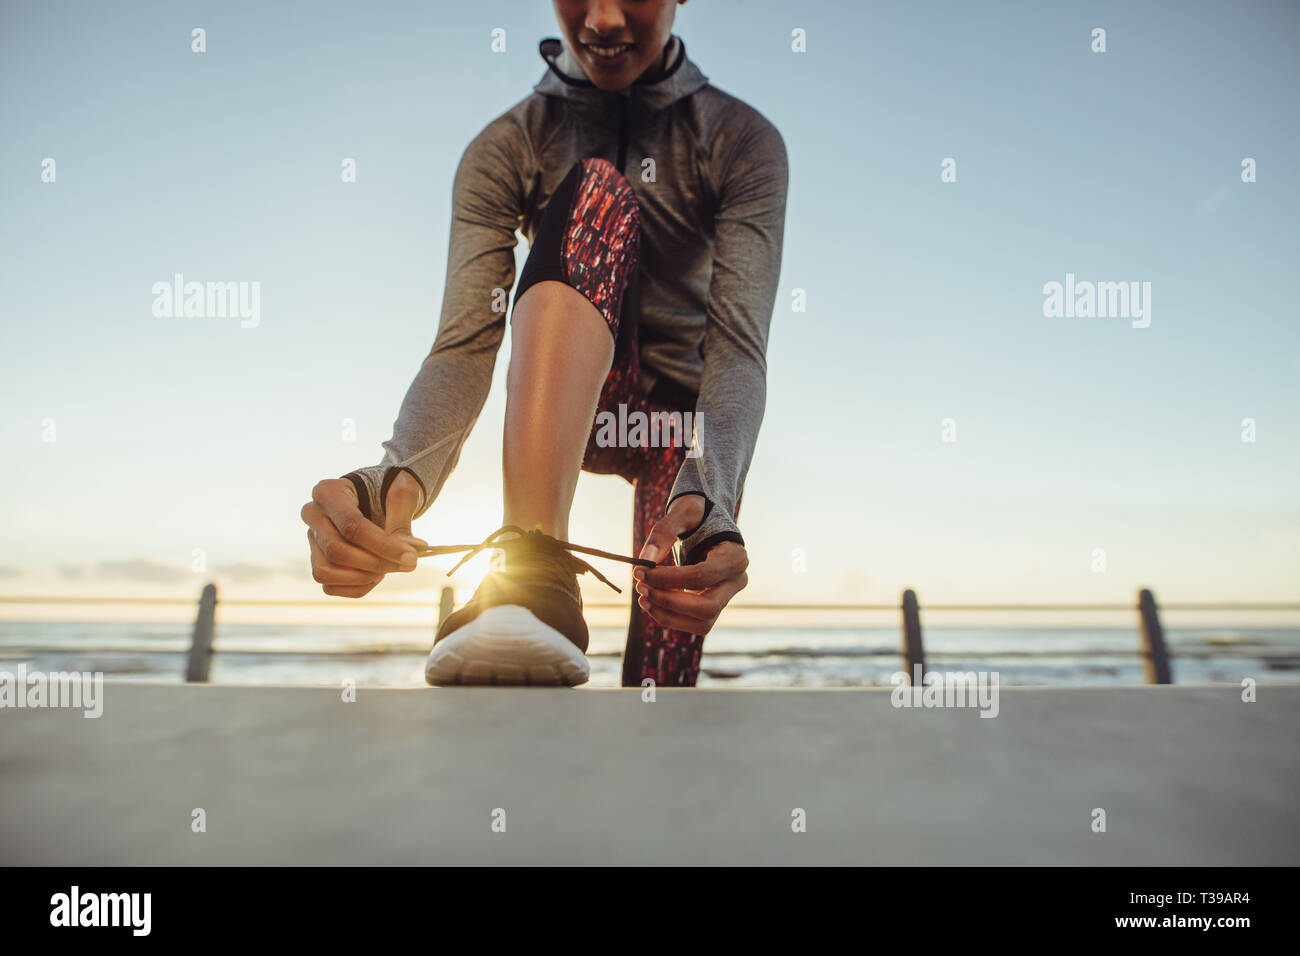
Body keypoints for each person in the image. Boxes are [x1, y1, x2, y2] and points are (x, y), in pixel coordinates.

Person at [300, 0, 787, 687]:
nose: (605, 19)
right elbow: (464, 344)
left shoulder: (739, 139)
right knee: (597, 190)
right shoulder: (508, 146)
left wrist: (716, 498)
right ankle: (532, 569)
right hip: (566, 408)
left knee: (664, 674)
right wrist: (394, 475)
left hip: (679, 432)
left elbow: (737, 346)